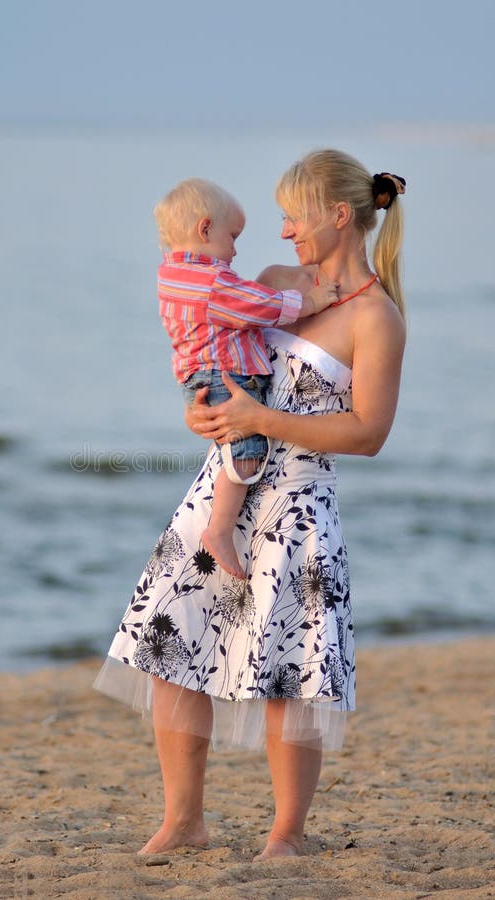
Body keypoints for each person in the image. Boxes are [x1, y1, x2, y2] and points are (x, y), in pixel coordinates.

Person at [93, 150, 406, 860]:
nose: (286, 231)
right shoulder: (268, 283)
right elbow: (219, 363)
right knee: (171, 645)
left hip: (296, 509)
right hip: (218, 491)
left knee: (289, 674)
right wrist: (204, 416)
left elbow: (367, 433)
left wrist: (261, 422)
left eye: (294, 216)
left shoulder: (376, 318)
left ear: (336, 215)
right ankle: (183, 822)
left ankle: (286, 834)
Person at [154, 178, 338, 578]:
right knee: (247, 454)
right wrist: (308, 303)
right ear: (205, 230)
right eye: (232, 236)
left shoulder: (173, 276)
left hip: (203, 378)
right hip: (226, 379)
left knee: (236, 448)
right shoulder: (213, 283)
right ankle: (220, 528)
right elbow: (257, 305)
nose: (236, 249)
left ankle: (221, 524)